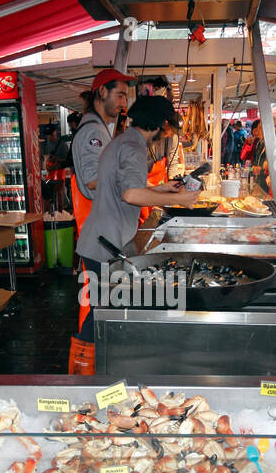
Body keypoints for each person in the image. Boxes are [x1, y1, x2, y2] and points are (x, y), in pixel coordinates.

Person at [73, 96, 200, 343]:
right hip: (105, 244)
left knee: (102, 308)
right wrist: (180, 200)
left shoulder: (123, 139)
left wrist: (163, 189)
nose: (165, 134)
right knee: (102, 312)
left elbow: (125, 187)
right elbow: (131, 195)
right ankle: (83, 369)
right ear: (160, 123)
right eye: (167, 127)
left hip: (101, 238)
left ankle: (86, 367)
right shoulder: (134, 147)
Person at [71, 69, 133, 240]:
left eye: (125, 97)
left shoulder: (98, 127)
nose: (124, 103)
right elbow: (92, 181)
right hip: (99, 230)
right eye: (120, 95)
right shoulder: (94, 131)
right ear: (103, 91)